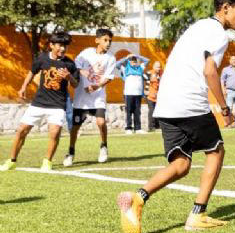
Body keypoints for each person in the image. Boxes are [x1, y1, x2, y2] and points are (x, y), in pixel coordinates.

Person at [116, 0, 235, 233]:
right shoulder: (219, 34)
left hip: (166, 103)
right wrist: (224, 108)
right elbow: (210, 71)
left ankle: (138, 197)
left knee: (181, 164)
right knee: (216, 150)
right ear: (225, 8)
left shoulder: (197, 26)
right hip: (188, 101)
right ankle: (198, 214)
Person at [1, 32, 80, 172]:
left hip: (58, 104)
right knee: (21, 131)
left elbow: (75, 85)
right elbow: (32, 71)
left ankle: (47, 162)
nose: (63, 49)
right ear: (51, 45)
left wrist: (69, 77)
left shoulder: (70, 64)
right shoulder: (42, 58)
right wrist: (23, 87)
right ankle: (11, 160)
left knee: (54, 133)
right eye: (60, 45)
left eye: (65, 46)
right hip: (39, 102)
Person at [66, 28, 117, 167]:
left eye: (110, 41)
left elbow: (109, 77)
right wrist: (83, 72)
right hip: (81, 98)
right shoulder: (86, 53)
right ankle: (70, 152)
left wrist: (96, 86)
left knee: (101, 122)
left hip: (98, 97)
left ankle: (104, 146)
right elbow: (76, 67)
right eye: (105, 40)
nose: (108, 43)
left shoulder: (111, 58)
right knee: (75, 128)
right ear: (97, 40)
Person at [115, 53, 150, 134]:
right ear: (129, 62)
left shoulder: (140, 68)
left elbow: (147, 60)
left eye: (135, 61)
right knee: (129, 111)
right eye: (132, 61)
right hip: (128, 93)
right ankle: (128, 128)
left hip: (138, 94)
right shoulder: (125, 68)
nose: (134, 62)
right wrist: (126, 57)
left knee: (137, 111)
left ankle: (138, 128)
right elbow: (117, 64)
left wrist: (138, 56)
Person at [146, 61, 163, 131]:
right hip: (150, 95)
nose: (159, 68)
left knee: (158, 111)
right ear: (153, 67)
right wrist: (146, 91)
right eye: (157, 67)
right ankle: (151, 127)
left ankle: (157, 126)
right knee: (152, 111)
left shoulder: (161, 73)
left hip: (158, 96)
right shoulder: (149, 73)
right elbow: (146, 82)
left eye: (159, 67)